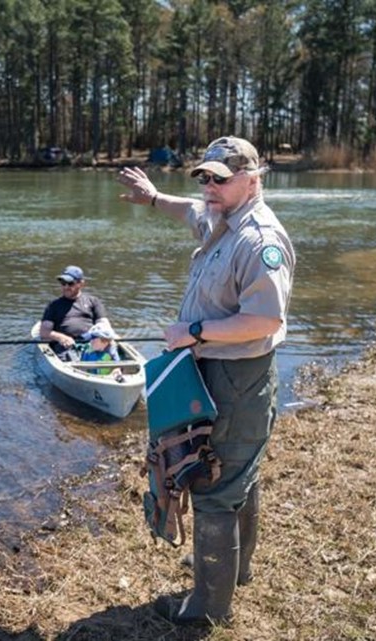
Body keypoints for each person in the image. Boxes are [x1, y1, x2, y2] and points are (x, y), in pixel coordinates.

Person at [117, 136, 295, 625]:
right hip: (216, 372)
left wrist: (192, 332)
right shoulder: (222, 218)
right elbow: (189, 213)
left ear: (252, 179)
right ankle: (236, 572)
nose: (209, 186)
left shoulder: (260, 241)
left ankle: (206, 610)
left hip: (237, 378)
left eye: (220, 178)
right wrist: (153, 198)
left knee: (216, 487)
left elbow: (265, 321)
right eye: (205, 177)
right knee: (240, 477)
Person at [38, 265, 110, 355]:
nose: (66, 287)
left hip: (92, 343)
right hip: (66, 347)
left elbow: (103, 323)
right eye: (63, 283)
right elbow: (44, 332)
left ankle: (117, 366)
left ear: (81, 284)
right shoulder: (53, 305)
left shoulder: (93, 301)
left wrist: (108, 336)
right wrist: (61, 337)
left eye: (70, 283)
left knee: (111, 345)